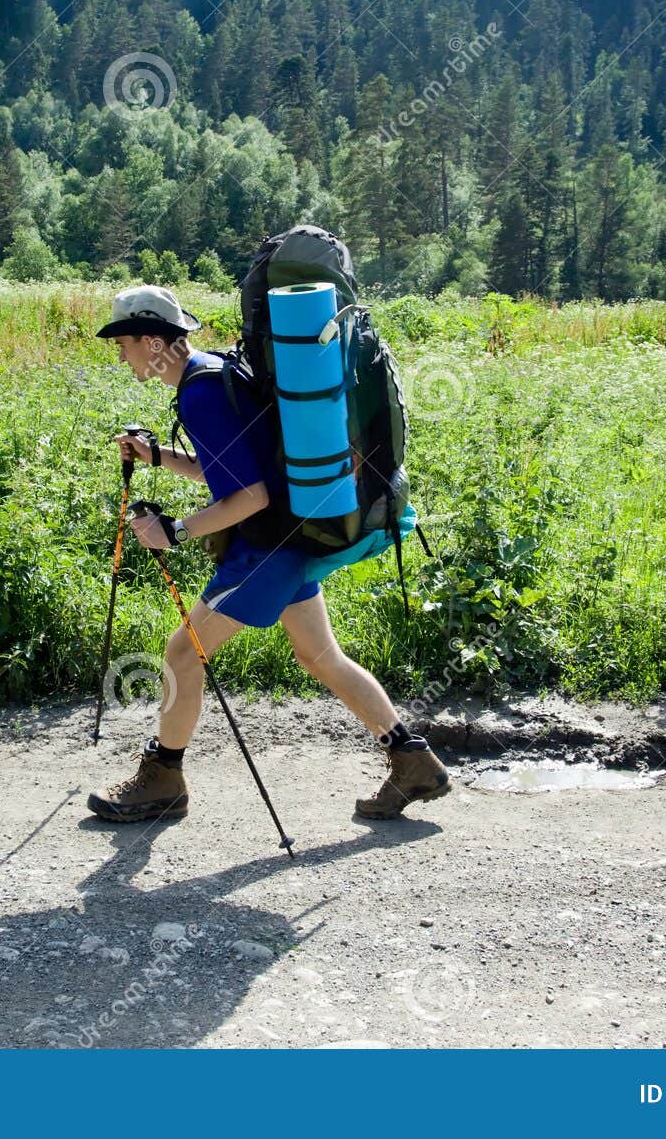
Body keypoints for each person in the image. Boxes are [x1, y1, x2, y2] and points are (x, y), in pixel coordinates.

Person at [88, 284, 450, 823]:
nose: (120, 354)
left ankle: (163, 780)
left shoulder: (201, 392)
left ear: (149, 340)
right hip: (291, 538)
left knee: (182, 656)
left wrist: (177, 530)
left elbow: (250, 496)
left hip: (265, 550)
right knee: (320, 657)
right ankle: (411, 760)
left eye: (122, 342)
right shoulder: (212, 373)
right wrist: (159, 456)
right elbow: (235, 473)